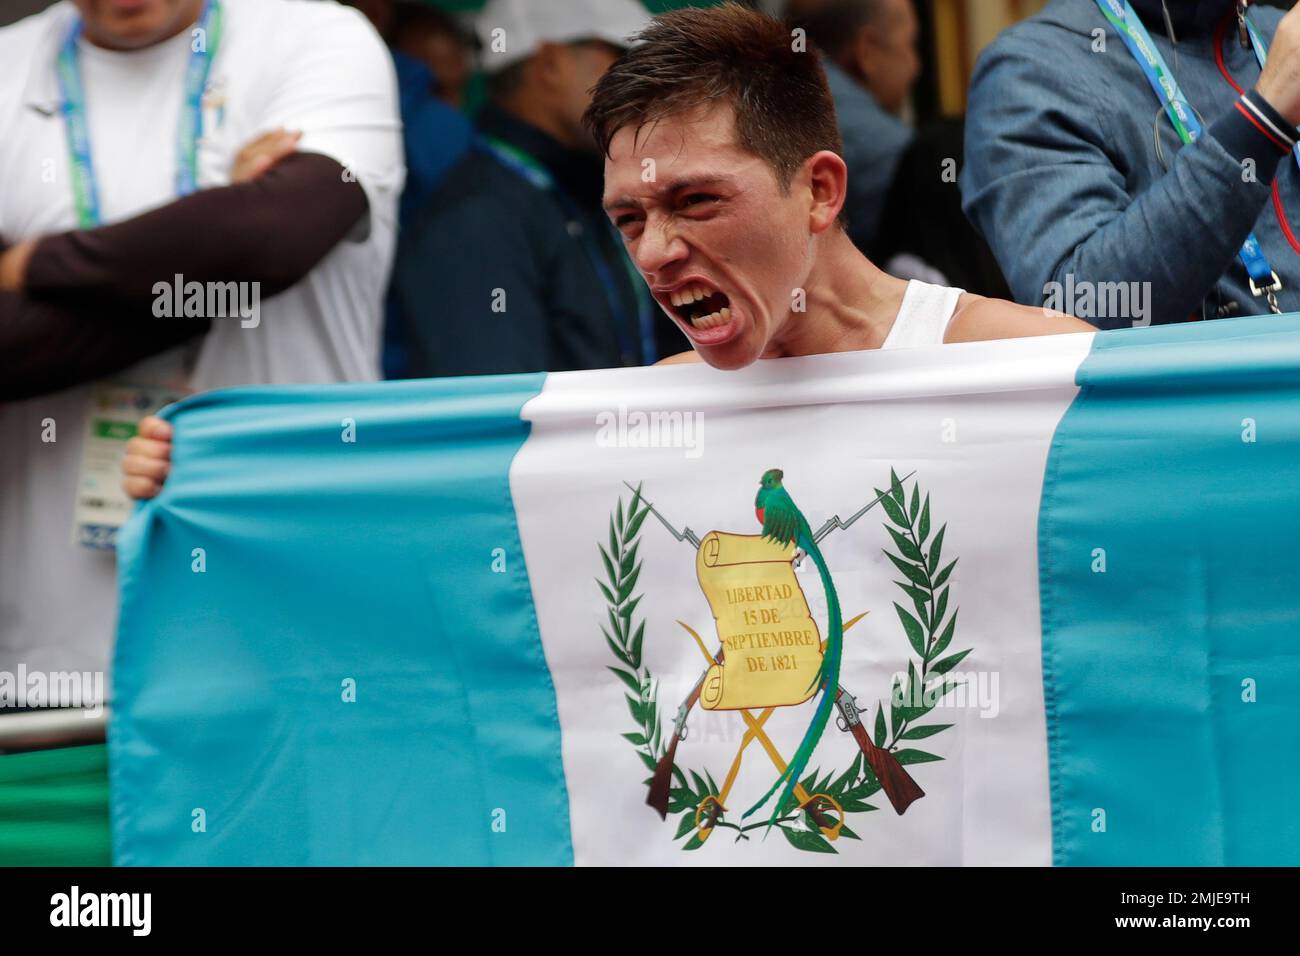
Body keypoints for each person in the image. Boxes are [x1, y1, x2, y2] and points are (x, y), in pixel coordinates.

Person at [124, 2, 1095, 502]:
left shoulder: (1023, 359)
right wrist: (217, 467)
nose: (660, 250)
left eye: (697, 201)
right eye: (628, 218)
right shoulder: (644, 411)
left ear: (821, 189)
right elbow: (432, 500)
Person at [1, 0, 403, 697]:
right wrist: (216, 251)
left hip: (295, 626)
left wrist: (28, 266)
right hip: (47, 655)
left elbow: (273, 236)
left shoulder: (317, 35)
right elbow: (252, 248)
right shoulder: (11, 64)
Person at [387, 0, 683, 379]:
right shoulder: (477, 216)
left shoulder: (579, 187)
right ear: (549, 65)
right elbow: (494, 415)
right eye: (621, 63)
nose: (643, 91)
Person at [963, 0, 1300, 328]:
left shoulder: (1276, 30)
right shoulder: (1030, 68)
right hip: (1215, 382)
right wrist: (1263, 119)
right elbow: (1082, 305)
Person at [784, 0, 919, 251]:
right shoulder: (888, 149)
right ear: (867, 51)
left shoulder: (752, 94)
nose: (916, 67)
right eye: (910, 45)